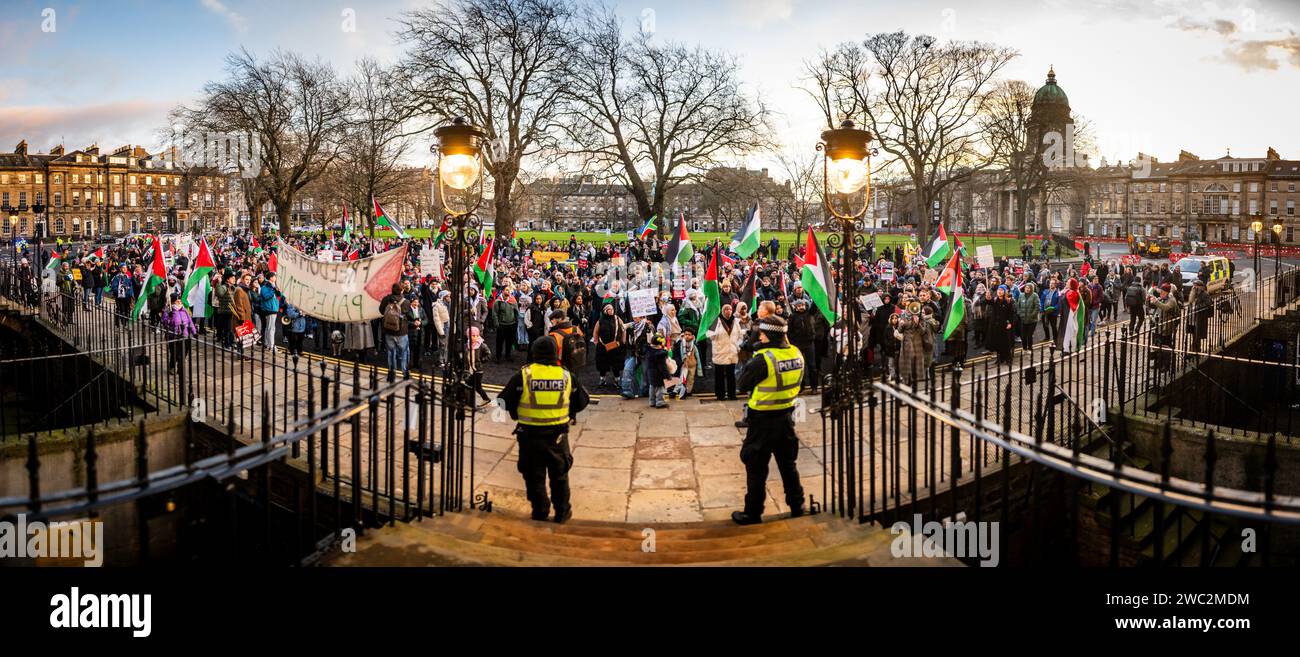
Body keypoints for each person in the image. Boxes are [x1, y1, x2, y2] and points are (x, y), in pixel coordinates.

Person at [497, 336, 590, 523]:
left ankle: (540, 511)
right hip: (557, 435)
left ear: (534, 353)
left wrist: (515, 413)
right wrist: (569, 413)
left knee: (534, 477)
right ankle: (563, 512)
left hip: (529, 435)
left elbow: (503, 401)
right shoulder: (565, 375)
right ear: (556, 353)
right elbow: (582, 401)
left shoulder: (524, 375)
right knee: (559, 476)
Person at [731, 315, 805, 525]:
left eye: (761, 333)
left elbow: (742, 384)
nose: (759, 336)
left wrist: (755, 348)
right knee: (788, 466)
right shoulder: (796, 353)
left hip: (762, 421)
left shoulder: (765, 359)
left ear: (768, 335)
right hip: (786, 417)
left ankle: (753, 513)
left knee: (756, 469)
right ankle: (797, 505)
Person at [708, 303, 744, 401]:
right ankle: (720, 395)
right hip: (720, 351)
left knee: (731, 375)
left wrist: (738, 346)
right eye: (726, 310)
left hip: (732, 351)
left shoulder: (736, 321)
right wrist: (713, 331)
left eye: (730, 309)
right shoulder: (716, 321)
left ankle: (732, 394)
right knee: (719, 375)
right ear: (722, 311)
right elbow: (710, 336)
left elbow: (740, 335)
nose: (728, 311)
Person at [160, 294, 198, 375]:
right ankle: (172, 367)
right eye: (177, 301)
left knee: (184, 353)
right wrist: (168, 318)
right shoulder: (169, 310)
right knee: (175, 354)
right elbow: (164, 322)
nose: (179, 303)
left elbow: (190, 321)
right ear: (173, 302)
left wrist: (194, 332)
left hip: (185, 335)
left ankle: (180, 367)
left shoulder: (185, 310)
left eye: (180, 301)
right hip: (173, 336)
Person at [380, 283, 411, 381]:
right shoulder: (405, 302)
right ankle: (405, 373)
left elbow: (381, 311)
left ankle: (391, 374)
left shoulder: (386, 299)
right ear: (401, 290)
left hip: (388, 330)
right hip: (401, 331)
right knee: (404, 352)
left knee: (391, 352)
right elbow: (409, 315)